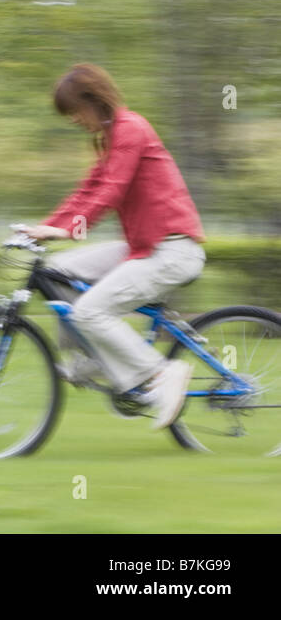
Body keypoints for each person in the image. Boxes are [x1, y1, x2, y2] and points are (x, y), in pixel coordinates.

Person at [19, 63, 206, 429]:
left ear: (93, 100)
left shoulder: (130, 129)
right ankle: (96, 359)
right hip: (144, 247)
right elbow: (87, 191)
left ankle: (160, 373)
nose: (73, 119)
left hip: (173, 250)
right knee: (58, 273)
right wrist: (47, 227)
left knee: (89, 311)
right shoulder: (109, 139)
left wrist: (70, 230)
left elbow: (111, 191)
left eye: (74, 110)